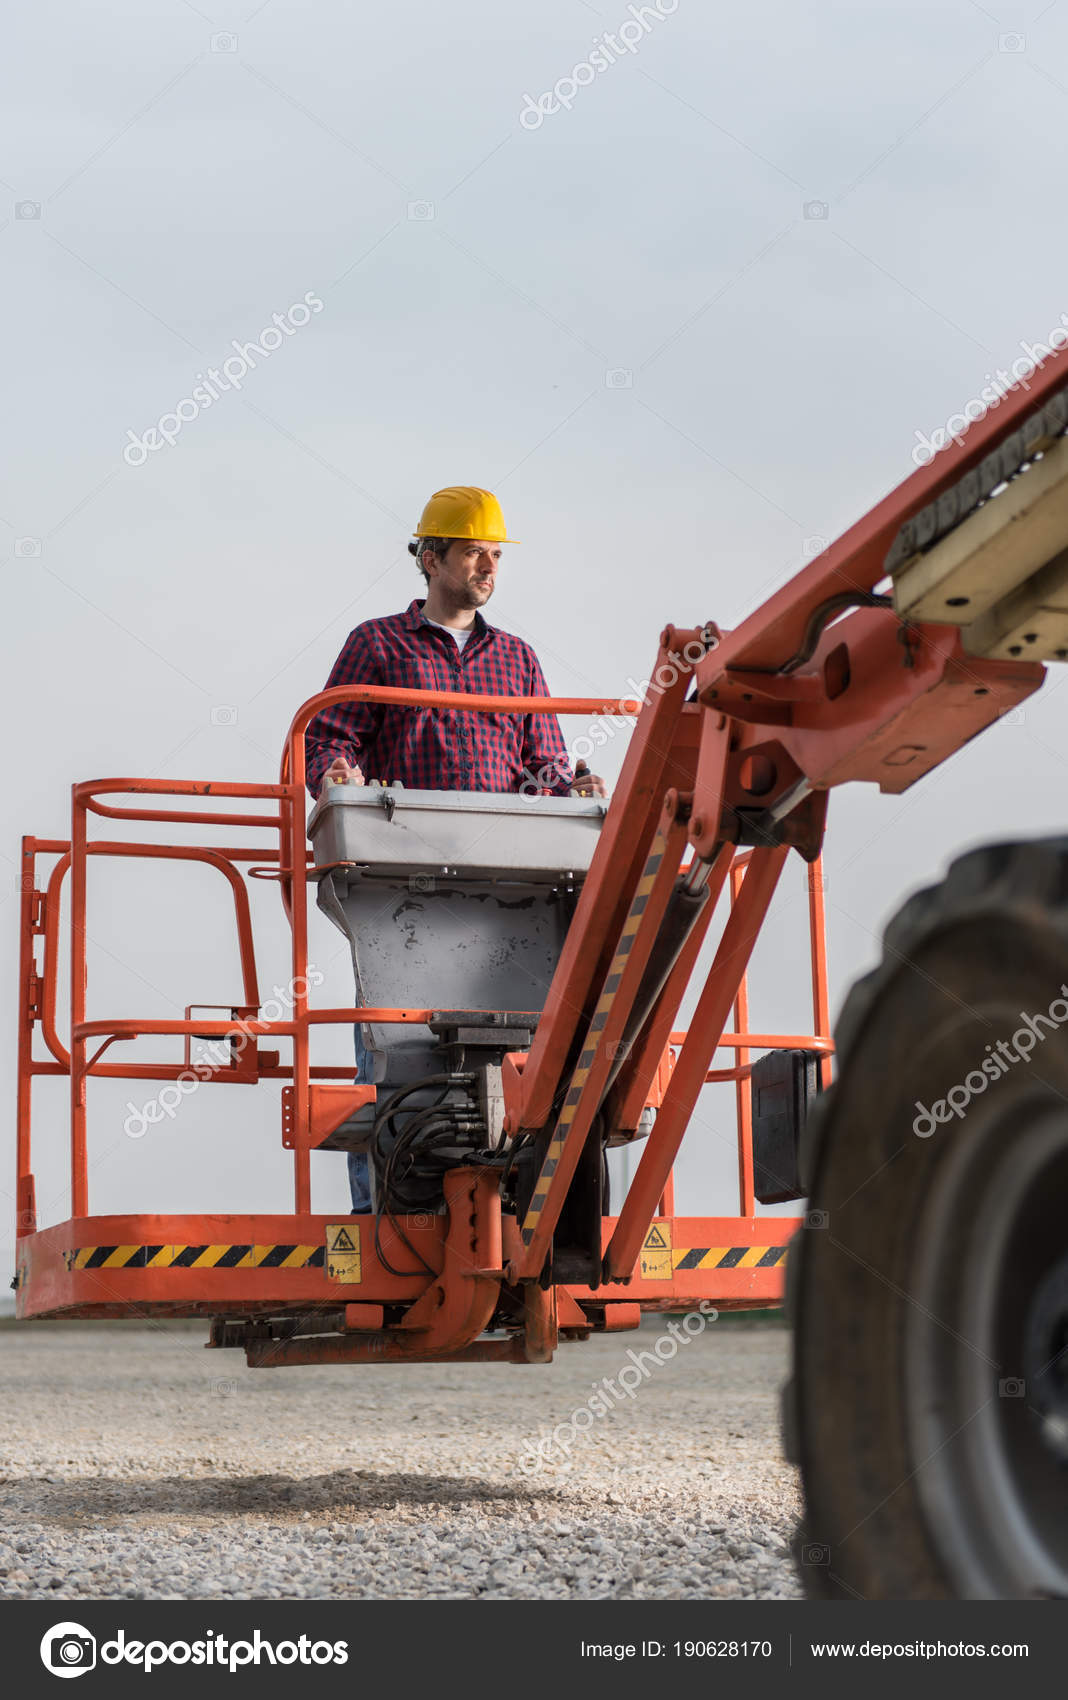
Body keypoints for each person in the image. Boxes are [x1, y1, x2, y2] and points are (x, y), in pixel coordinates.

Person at [304, 485, 605, 1211]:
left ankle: (512, 1213)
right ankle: (380, 1218)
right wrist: (337, 773)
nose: (488, 565)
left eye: (496, 554)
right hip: (400, 894)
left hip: (508, 895)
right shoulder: (377, 644)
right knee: (396, 1057)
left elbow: (541, 765)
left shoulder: (518, 660)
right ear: (431, 556)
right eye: (474, 551)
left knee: (519, 1060)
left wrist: (571, 787)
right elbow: (329, 736)